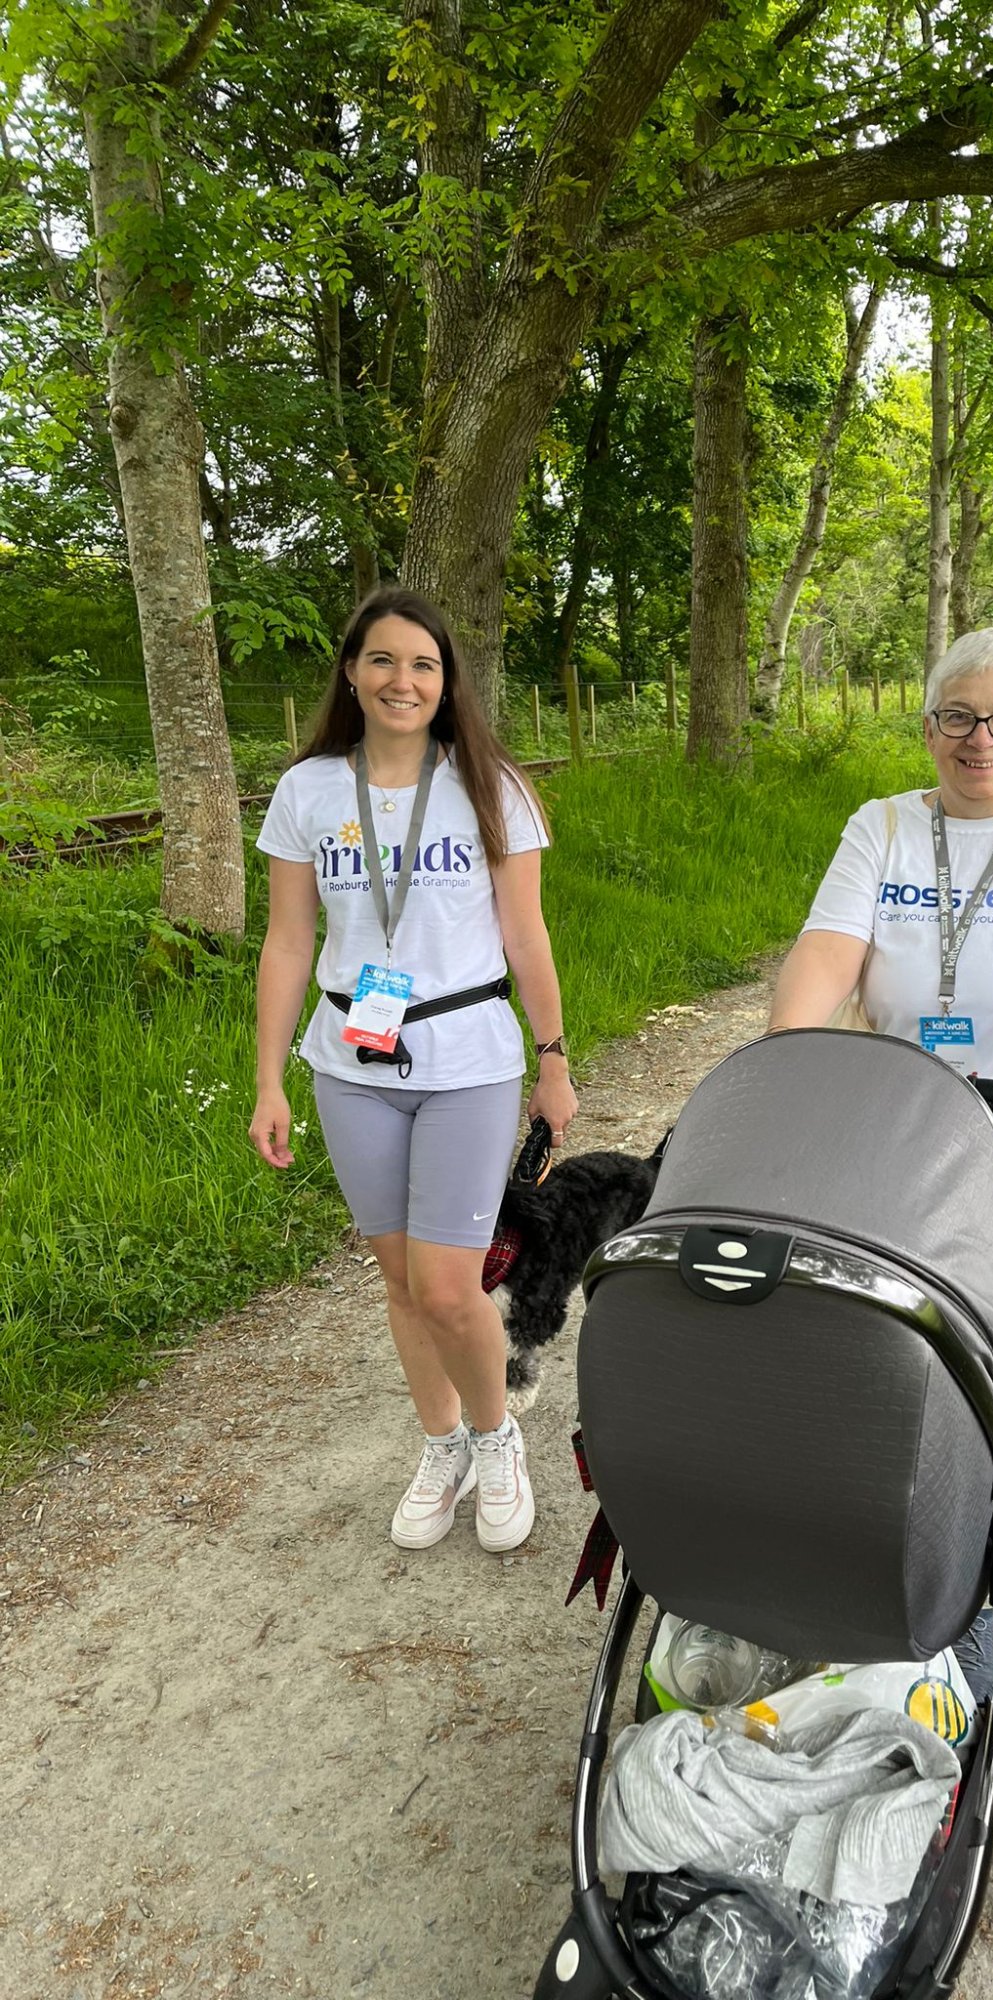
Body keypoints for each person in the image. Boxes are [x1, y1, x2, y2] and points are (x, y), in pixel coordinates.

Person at [249, 587, 577, 1555]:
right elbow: (286, 939)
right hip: (349, 1059)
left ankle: (495, 1435)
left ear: (447, 682)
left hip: (467, 1055)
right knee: (398, 1278)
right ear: (351, 671)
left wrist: (553, 1062)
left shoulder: (489, 785)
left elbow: (527, 932)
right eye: (384, 660)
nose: (404, 679)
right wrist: (269, 1078)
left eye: (424, 664)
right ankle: (441, 1444)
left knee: (446, 1284)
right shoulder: (309, 789)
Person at [768, 626, 993, 1292]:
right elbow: (827, 951)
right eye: (959, 716)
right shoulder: (880, 827)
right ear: (930, 730)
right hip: (887, 1144)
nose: (981, 738)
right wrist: (784, 1050)